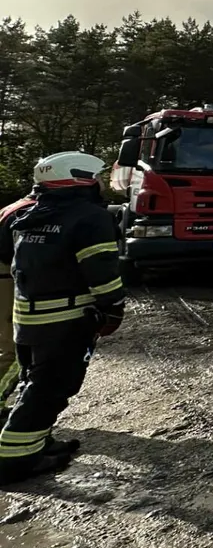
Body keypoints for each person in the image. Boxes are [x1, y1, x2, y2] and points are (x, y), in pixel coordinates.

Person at [0, 152, 126, 484]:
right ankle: (14, 459)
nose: (100, 182)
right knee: (51, 388)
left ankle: (36, 442)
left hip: (27, 318)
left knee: (33, 381)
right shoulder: (88, 217)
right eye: (95, 176)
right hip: (66, 319)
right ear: (81, 179)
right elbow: (102, 270)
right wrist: (114, 307)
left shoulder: (29, 213)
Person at [0, 192, 33, 420]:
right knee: (15, 350)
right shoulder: (29, 211)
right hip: (7, 280)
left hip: (4, 277)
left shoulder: (13, 207)